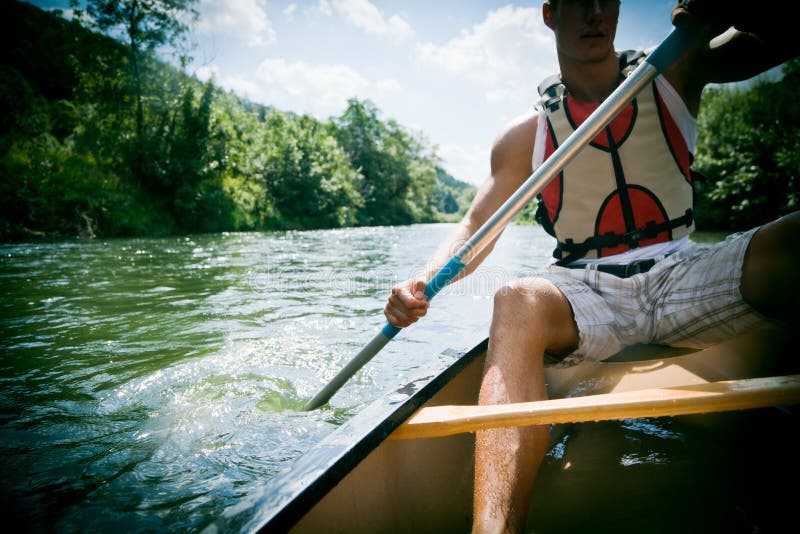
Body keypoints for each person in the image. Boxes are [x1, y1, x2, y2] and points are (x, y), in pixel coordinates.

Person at [384, 0, 800, 532]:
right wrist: (422, 281)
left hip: (681, 273)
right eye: (578, 2)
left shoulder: (678, 67)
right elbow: (472, 230)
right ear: (550, 14)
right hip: (587, 290)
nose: (595, 13)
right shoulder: (523, 137)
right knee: (515, 299)